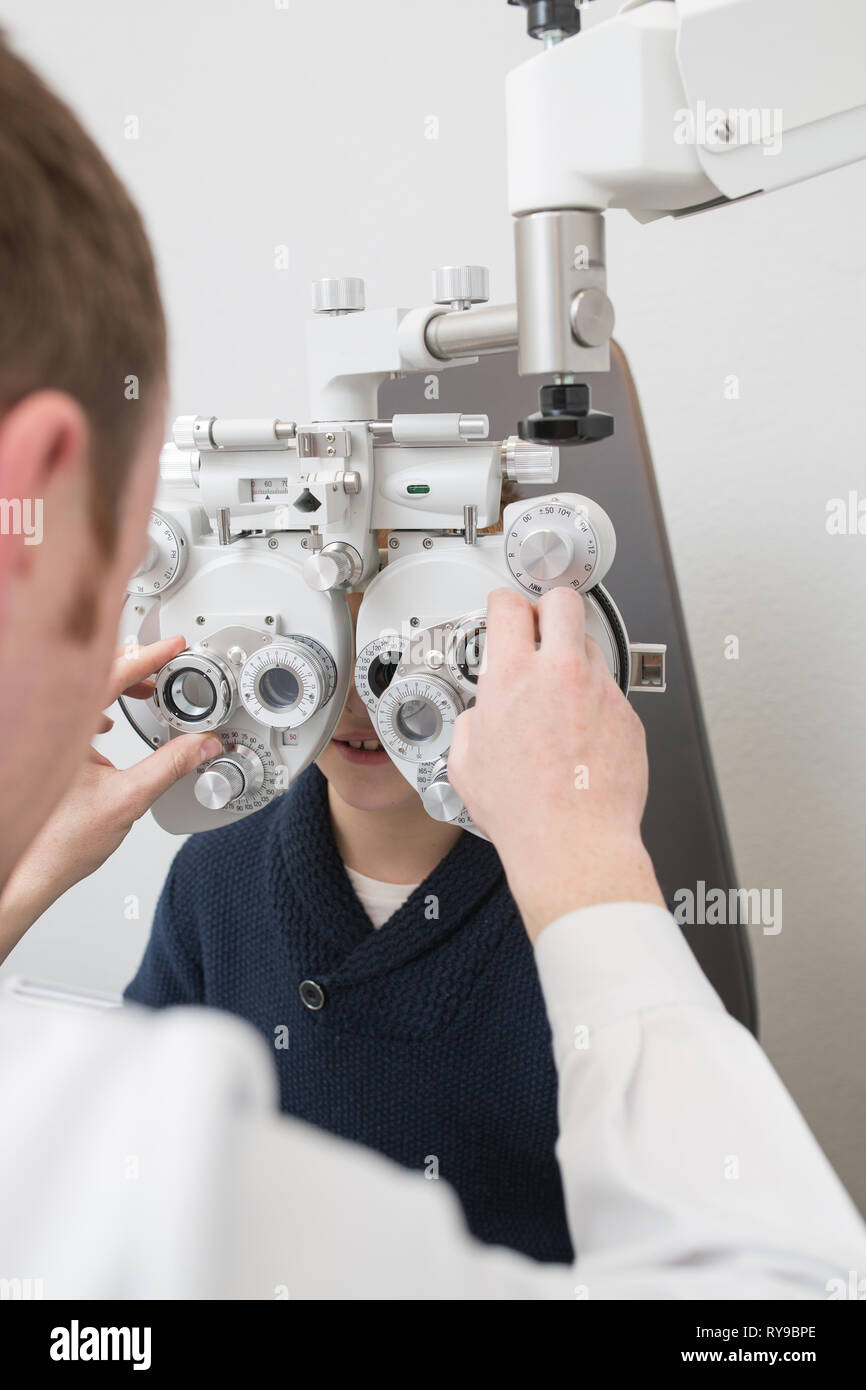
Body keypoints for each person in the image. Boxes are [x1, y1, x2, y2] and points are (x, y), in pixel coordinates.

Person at [0, 28, 864, 1300]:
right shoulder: (217, 898)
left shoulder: (542, 924)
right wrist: (587, 868)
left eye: (394, 645)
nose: (352, 696)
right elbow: (773, 1311)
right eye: (310, 652)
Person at [124, 578, 573, 1266]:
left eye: (399, 661)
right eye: (325, 658)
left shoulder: (581, 899)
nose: (362, 704)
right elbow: (141, 1137)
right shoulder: (214, 875)